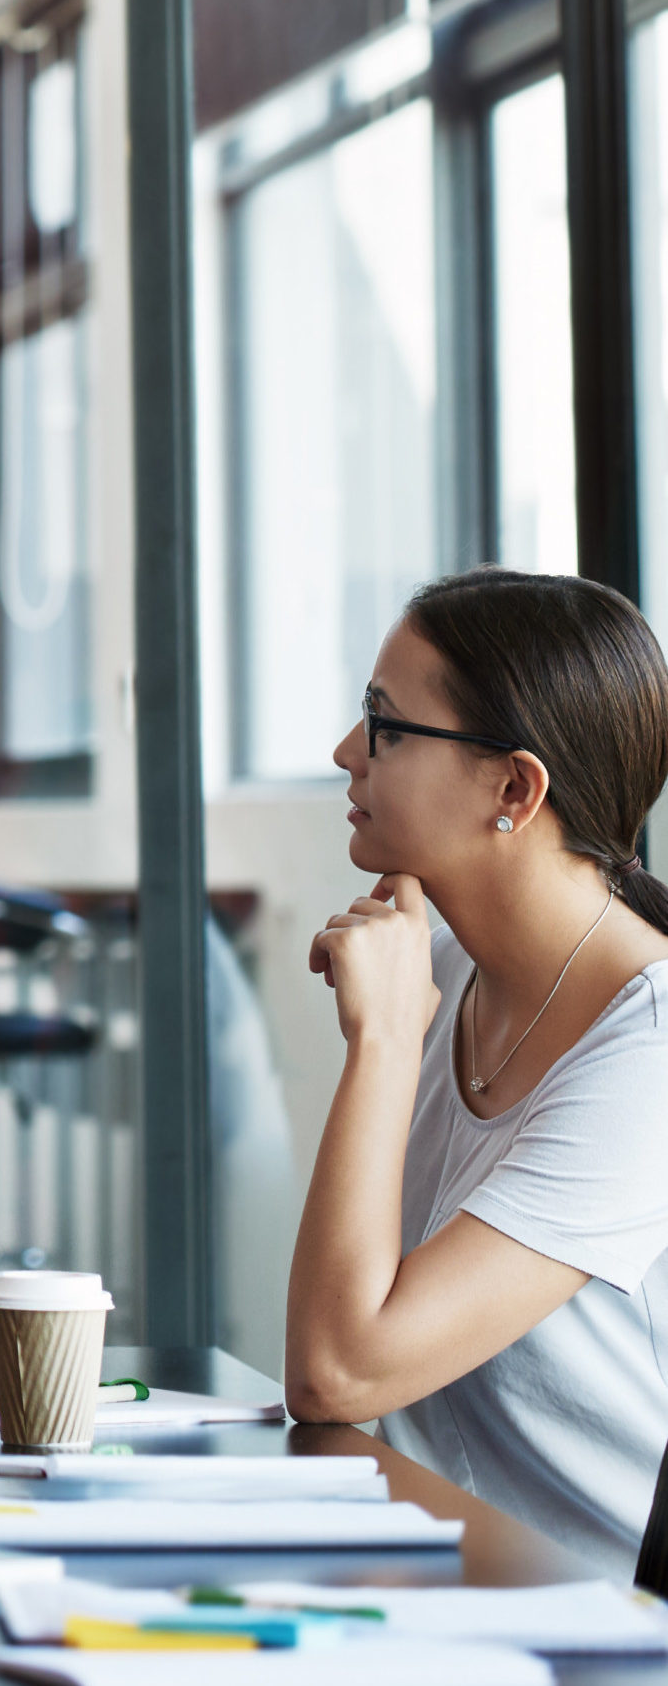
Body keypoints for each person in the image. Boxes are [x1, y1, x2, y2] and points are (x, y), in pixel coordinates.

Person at [289, 567, 668, 1570]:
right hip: (432, 1584)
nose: (344, 754)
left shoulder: (652, 1054)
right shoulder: (446, 966)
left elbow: (336, 1369)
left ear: (514, 787)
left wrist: (379, 1043)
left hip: (603, 1630)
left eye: (386, 726)